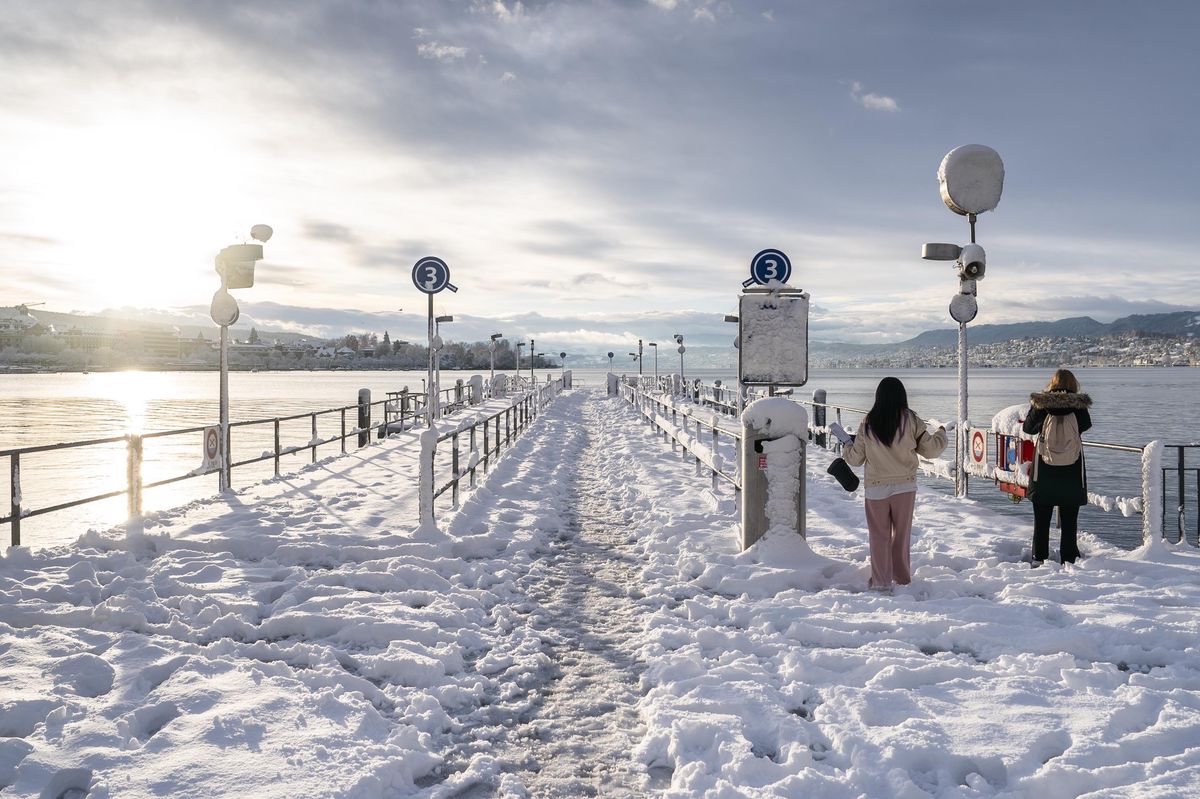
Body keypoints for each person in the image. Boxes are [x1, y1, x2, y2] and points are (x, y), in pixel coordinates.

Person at [843, 377, 948, 589]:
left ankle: (881, 582)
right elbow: (931, 450)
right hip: (904, 486)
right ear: (902, 396)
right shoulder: (911, 419)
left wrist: (846, 444)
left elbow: (855, 459)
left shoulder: (868, 422)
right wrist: (941, 433)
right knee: (902, 535)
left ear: (878, 396)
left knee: (878, 536)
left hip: (876, 487)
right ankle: (902, 580)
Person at [1022, 369, 1092, 565]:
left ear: (1052, 383)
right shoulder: (1079, 404)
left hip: (1044, 470)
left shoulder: (1041, 403)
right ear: (1073, 384)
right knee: (1070, 521)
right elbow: (1086, 425)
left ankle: (1039, 557)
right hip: (1072, 471)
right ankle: (1068, 559)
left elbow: (1027, 428)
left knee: (1041, 521)